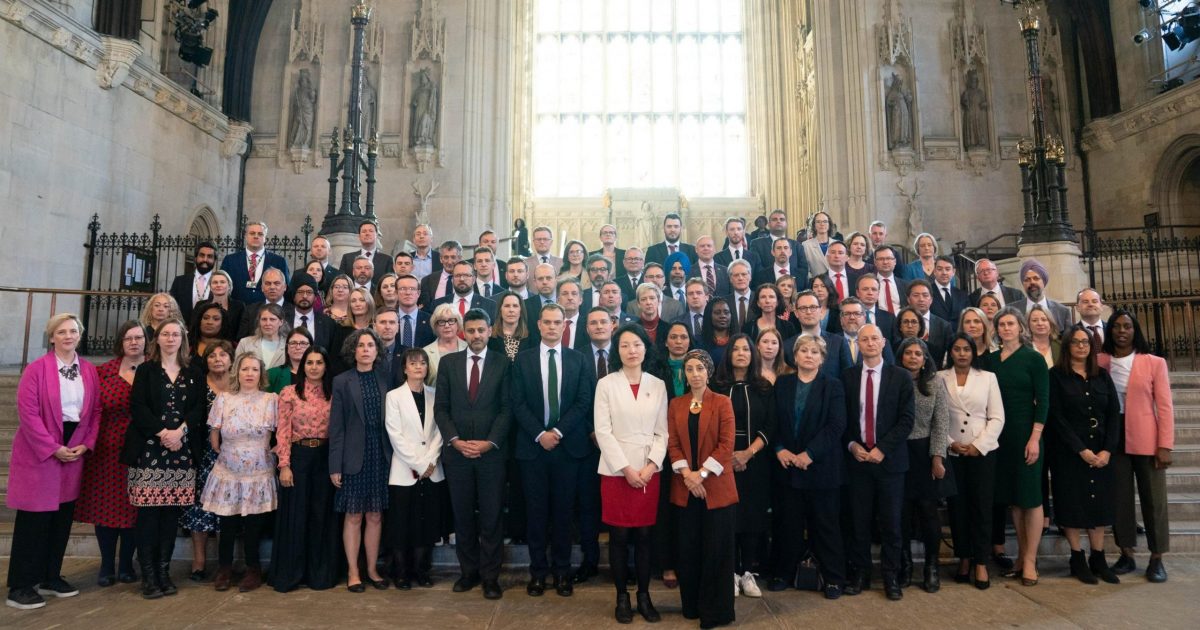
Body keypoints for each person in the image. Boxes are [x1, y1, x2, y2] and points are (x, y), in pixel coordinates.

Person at [6, 314, 101, 610]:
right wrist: (52, 447)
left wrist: (86, 443)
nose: (68, 336)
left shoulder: (88, 370)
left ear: (79, 335)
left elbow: (95, 411)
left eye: (73, 331)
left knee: (61, 518)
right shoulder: (36, 369)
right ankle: (21, 586)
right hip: (41, 450)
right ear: (51, 337)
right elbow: (28, 414)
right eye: (61, 332)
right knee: (34, 520)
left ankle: (50, 577)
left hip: (74, 448)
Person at [511, 304, 594, 597]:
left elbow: (583, 401)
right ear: (538, 324)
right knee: (535, 514)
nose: (551, 327)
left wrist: (557, 432)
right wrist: (540, 434)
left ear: (563, 325)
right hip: (533, 448)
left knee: (563, 513)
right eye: (546, 322)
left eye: (557, 322)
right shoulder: (523, 360)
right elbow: (517, 402)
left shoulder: (578, 359)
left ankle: (562, 572)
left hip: (567, 447)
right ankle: (538, 573)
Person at [124, 318, 206, 599]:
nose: (171, 339)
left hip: (182, 450)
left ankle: (164, 572)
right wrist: (163, 433)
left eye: (176, 334)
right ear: (156, 339)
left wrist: (180, 432)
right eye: (166, 334)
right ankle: (148, 576)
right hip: (150, 449)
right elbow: (138, 407)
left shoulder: (193, 372)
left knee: (171, 515)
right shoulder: (146, 370)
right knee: (149, 515)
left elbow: (198, 408)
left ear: (183, 339)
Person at [435, 309, 513, 601]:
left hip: (491, 455)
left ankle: (491, 577)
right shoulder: (448, 363)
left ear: (490, 331)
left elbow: (507, 409)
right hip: (458, 455)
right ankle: (468, 572)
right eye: (471, 330)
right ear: (463, 332)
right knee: (463, 515)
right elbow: (441, 408)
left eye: (481, 330)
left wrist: (489, 442)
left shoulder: (503, 364)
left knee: (492, 517)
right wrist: (455, 441)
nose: (476, 335)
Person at [594, 324, 668, 623]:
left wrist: (650, 466)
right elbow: (603, 431)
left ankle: (645, 596)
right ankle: (622, 596)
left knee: (645, 535)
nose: (631, 350)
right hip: (616, 471)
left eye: (637, 344)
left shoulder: (657, 384)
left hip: (648, 471)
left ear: (645, 348)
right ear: (617, 350)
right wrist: (625, 469)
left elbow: (662, 432)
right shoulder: (606, 384)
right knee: (619, 535)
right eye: (624, 345)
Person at [770, 335, 847, 598]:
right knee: (787, 525)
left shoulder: (833, 386)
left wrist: (810, 453)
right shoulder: (783, 383)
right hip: (788, 466)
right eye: (804, 351)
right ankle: (783, 573)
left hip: (821, 468)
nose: (809, 356)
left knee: (825, 526)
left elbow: (836, 425)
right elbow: (773, 420)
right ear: (795, 355)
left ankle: (834, 578)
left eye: (815, 352)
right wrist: (779, 448)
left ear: (822, 358)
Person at [1101, 310, 1174, 583]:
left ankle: (1157, 557)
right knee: (1120, 498)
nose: (1121, 331)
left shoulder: (1154, 362)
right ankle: (1126, 553)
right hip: (1113, 437)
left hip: (1146, 438)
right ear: (1110, 330)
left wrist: (1165, 445)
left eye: (1127, 326)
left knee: (1154, 500)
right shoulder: (1100, 361)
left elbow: (1164, 406)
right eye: (1116, 326)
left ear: (1135, 330)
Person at [842, 324, 914, 601]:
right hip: (858, 461)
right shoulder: (848, 377)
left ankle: (891, 576)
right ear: (858, 344)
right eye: (864, 339)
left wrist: (883, 449)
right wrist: (852, 445)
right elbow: (842, 419)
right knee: (858, 522)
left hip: (890, 462)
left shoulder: (901, 377)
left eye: (875, 338)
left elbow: (906, 420)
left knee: (891, 523)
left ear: (883, 342)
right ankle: (860, 573)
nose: (870, 343)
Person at [668, 350, 738, 628]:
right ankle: (691, 606)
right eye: (689, 369)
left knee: (716, 551)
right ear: (684, 374)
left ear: (708, 372)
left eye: (700, 368)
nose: (695, 374)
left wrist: (702, 474)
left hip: (715, 489)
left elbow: (726, 444)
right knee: (688, 550)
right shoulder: (676, 404)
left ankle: (715, 612)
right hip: (686, 488)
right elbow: (673, 444)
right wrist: (688, 475)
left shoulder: (722, 402)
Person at [1049, 325, 1121, 585]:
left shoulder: (1102, 376)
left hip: (1100, 450)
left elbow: (1113, 414)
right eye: (1076, 342)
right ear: (1067, 346)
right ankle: (1077, 557)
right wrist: (1080, 449)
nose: (1081, 346)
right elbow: (1056, 416)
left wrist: (1107, 449)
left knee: (1099, 503)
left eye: (1085, 342)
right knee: (1072, 502)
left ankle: (1098, 557)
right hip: (1070, 452)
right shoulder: (1056, 376)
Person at [201, 352, 278, 593]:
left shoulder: (271, 400)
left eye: (254, 369)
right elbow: (214, 436)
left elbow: (281, 434)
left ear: (261, 374)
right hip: (229, 472)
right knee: (228, 523)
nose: (249, 374)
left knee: (254, 526)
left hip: (258, 473)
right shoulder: (224, 399)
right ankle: (224, 568)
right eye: (245, 369)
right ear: (237, 372)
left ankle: (253, 569)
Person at [75, 321, 144, 588]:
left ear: (146, 341)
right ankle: (106, 564)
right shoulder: (102, 372)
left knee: (134, 508)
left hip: (141, 449)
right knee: (105, 507)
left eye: (138, 337)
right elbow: (90, 409)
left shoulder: (153, 370)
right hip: (106, 448)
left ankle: (126, 563)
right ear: (120, 342)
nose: (134, 342)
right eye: (128, 338)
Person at [987, 307, 1050, 586]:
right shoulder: (990, 360)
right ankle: (1021, 557)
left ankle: (1031, 561)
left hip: (1027, 434)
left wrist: (1035, 437)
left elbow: (1044, 400)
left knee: (1031, 497)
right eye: (1001, 324)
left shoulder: (1033, 358)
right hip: (1000, 437)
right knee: (1014, 498)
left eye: (1011, 323)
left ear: (1020, 327)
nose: (1006, 328)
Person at [271, 345, 340, 592]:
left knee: (321, 515)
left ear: (326, 366)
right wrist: (284, 465)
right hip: (298, 457)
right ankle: (291, 573)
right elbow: (282, 431)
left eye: (319, 362)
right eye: (309, 362)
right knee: (296, 516)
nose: (314, 367)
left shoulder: (334, 393)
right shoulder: (289, 393)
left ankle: (319, 574)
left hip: (325, 458)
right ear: (303, 366)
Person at [710, 334, 775, 597]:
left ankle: (748, 573)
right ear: (728, 354)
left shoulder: (764, 387)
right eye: (735, 349)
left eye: (745, 349)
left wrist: (747, 453)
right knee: (728, 519)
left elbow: (771, 424)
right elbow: (709, 426)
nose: (740, 353)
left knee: (752, 518)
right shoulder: (716, 386)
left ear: (753, 354)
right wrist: (728, 457)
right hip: (722, 463)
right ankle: (730, 573)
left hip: (755, 462)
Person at [329, 328, 392, 592]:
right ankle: (353, 571)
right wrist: (335, 465)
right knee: (354, 515)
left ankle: (372, 570)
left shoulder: (386, 378)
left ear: (377, 351)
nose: (366, 349)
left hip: (381, 455)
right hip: (353, 456)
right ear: (353, 350)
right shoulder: (342, 381)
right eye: (361, 345)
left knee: (375, 515)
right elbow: (336, 427)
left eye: (370, 345)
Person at [939, 334, 1004, 589]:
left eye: (966, 349)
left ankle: (981, 562)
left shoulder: (988, 378)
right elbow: (936, 417)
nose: (962, 353)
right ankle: (964, 558)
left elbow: (997, 417)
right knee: (958, 509)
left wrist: (979, 445)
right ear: (950, 352)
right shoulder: (939, 378)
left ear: (973, 352)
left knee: (982, 507)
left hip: (982, 452)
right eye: (957, 349)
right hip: (953, 451)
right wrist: (949, 443)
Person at [384, 348, 447, 589]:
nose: (419, 367)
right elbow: (395, 434)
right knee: (401, 524)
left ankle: (422, 571)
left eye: (422, 363)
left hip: (432, 470)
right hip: (404, 470)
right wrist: (419, 464)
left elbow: (440, 430)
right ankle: (401, 573)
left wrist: (429, 461)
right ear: (405, 368)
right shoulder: (394, 396)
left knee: (426, 523)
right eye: (413, 363)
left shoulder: (434, 394)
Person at [895, 337, 955, 593]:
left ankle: (931, 566)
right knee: (901, 514)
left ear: (924, 358)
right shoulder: (893, 380)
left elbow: (941, 421)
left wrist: (938, 457)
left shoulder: (935, 382)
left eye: (917, 354)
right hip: (898, 450)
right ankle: (905, 565)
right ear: (900, 356)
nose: (913, 357)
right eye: (908, 353)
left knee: (929, 513)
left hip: (926, 452)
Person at [179, 341, 232, 582]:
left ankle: (224, 563)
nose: (218, 359)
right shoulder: (197, 383)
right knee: (199, 506)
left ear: (231, 360)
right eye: (212, 355)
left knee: (226, 507)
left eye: (223, 355)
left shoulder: (238, 385)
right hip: (202, 454)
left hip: (233, 455)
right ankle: (198, 562)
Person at [219, 221, 289, 304]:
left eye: (260, 234)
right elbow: (222, 286)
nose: (256, 236)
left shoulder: (278, 261)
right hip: (238, 309)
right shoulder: (230, 260)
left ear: (265, 238)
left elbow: (286, 290)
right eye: (252, 233)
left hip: (268, 309)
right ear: (245, 236)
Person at [1009, 258, 1072, 334]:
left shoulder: (1062, 311)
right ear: (1023, 283)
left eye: (1036, 278)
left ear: (1044, 281)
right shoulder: (1011, 310)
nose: (1032, 282)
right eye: (1027, 280)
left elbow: (1067, 339)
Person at [169, 241, 218, 323]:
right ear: (195, 258)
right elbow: (172, 308)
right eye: (202, 255)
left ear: (214, 260)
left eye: (209, 256)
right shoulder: (180, 282)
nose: (205, 259)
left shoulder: (220, 283)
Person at [236, 267, 290, 339]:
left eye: (277, 283)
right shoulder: (250, 311)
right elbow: (241, 339)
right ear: (262, 288)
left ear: (285, 287)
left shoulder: (294, 310)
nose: (272, 287)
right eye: (268, 283)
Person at [285, 274, 335, 350]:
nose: (304, 296)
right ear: (294, 296)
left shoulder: (328, 324)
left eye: (309, 292)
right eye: (300, 292)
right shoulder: (283, 320)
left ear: (315, 297)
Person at [423, 304, 467, 386]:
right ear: (435, 326)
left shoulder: (469, 348)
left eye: (451, 320)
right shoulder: (425, 352)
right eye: (441, 322)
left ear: (458, 324)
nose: (447, 326)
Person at [235, 303, 289, 370]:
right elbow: (236, 369)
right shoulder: (245, 343)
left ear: (281, 322)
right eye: (264, 319)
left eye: (272, 319)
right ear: (259, 322)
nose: (267, 323)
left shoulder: (289, 345)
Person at [196, 270, 244, 342]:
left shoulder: (239, 306)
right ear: (210, 287)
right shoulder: (200, 305)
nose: (218, 285)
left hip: (231, 345)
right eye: (215, 282)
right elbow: (195, 329)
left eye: (222, 282)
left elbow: (241, 331)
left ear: (229, 286)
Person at [339, 221, 392, 286]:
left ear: (377, 235)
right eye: (364, 231)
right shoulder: (347, 258)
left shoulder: (387, 260)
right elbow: (341, 281)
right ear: (359, 236)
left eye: (371, 231)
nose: (367, 233)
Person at [488, 290, 534, 361]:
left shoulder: (532, 338)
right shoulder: (490, 337)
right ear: (500, 309)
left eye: (515, 306)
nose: (511, 310)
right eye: (507, 306)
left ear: (521, 310)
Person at [267, 328, 312, 393]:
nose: (298, 347)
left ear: (311, 347)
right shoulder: (271, 375)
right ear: (287, 347)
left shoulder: (319, 375)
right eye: (293, 343)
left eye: (303, 343)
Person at [930, 256, 968, 323]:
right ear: (934, 271)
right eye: (939, 269)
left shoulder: (962, 295)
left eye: (947, 269)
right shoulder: (927, 292)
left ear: (953, 272)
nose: (944, 273)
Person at [872, 246, 907, 316]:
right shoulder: (869, 284)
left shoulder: (905, 285)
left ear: (895, 261)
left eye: (888, 258)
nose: (885, 262)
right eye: (881, 259)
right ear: (875, 262)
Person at [699, 297, 733, 365]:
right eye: (717, 313)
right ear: (709, 316)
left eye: (726, 312)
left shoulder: (738, 341)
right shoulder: (699, 342)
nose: (723, 316)